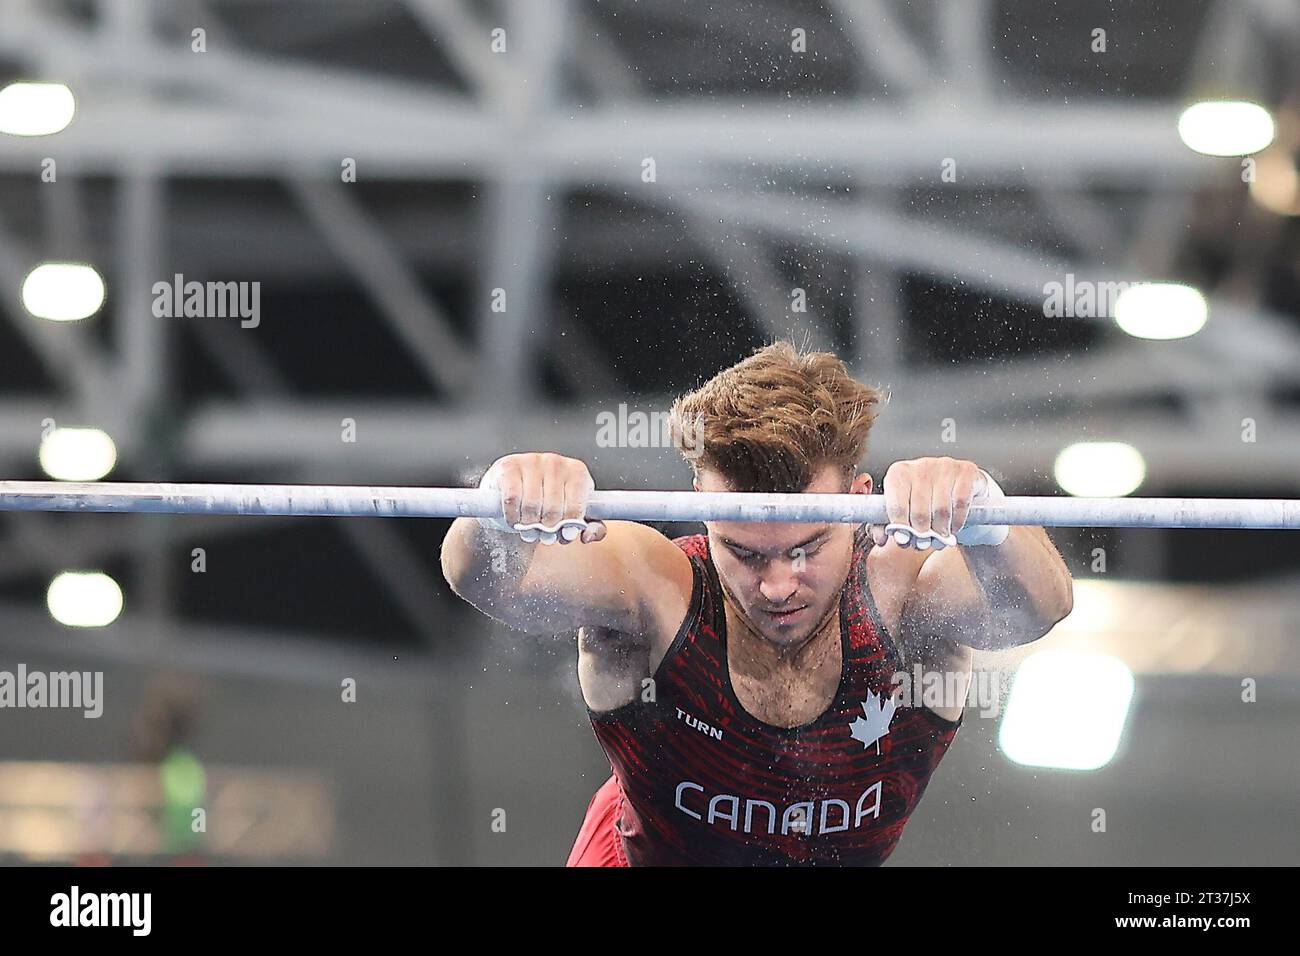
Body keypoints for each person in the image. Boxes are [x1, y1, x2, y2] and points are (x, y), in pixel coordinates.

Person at [441, 342, 1074, 866]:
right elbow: (486, 581)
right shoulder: (656, 588)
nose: (776, 585)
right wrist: (500, 507)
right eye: (743, 552)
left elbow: (1039, 608)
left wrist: (986, 514)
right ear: (700, 506)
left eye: (805, 549)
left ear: (858, 501)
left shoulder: (906, 599)